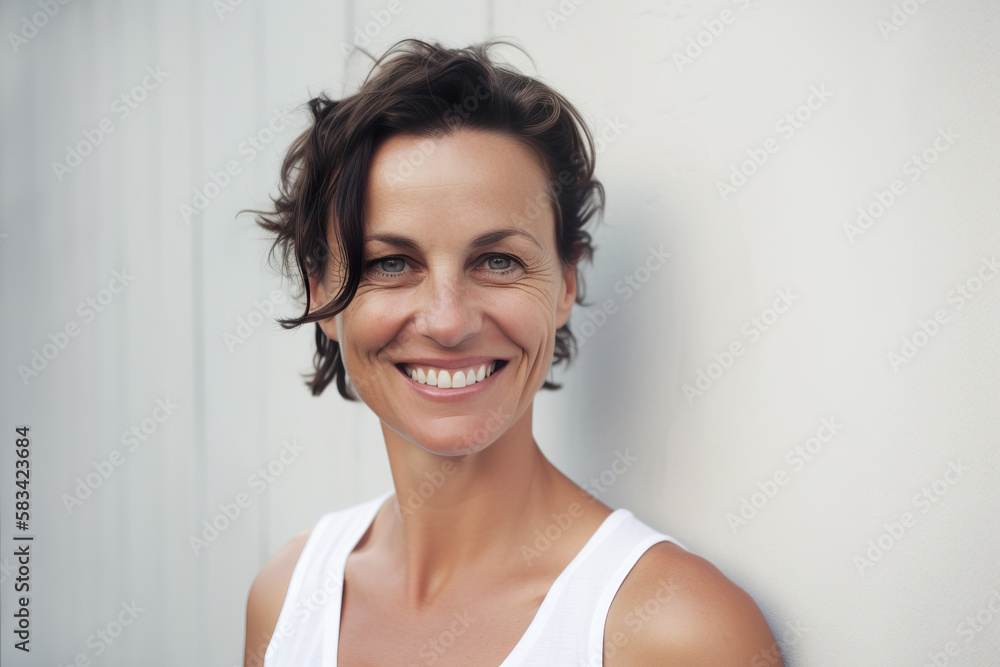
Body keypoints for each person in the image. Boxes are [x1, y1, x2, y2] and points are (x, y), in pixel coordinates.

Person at [244, 38, 782, 666]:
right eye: (391, 263)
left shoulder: (675, 631)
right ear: (324, 297)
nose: (448, 321)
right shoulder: (285, 598)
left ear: (566, 284)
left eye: (498, 261)